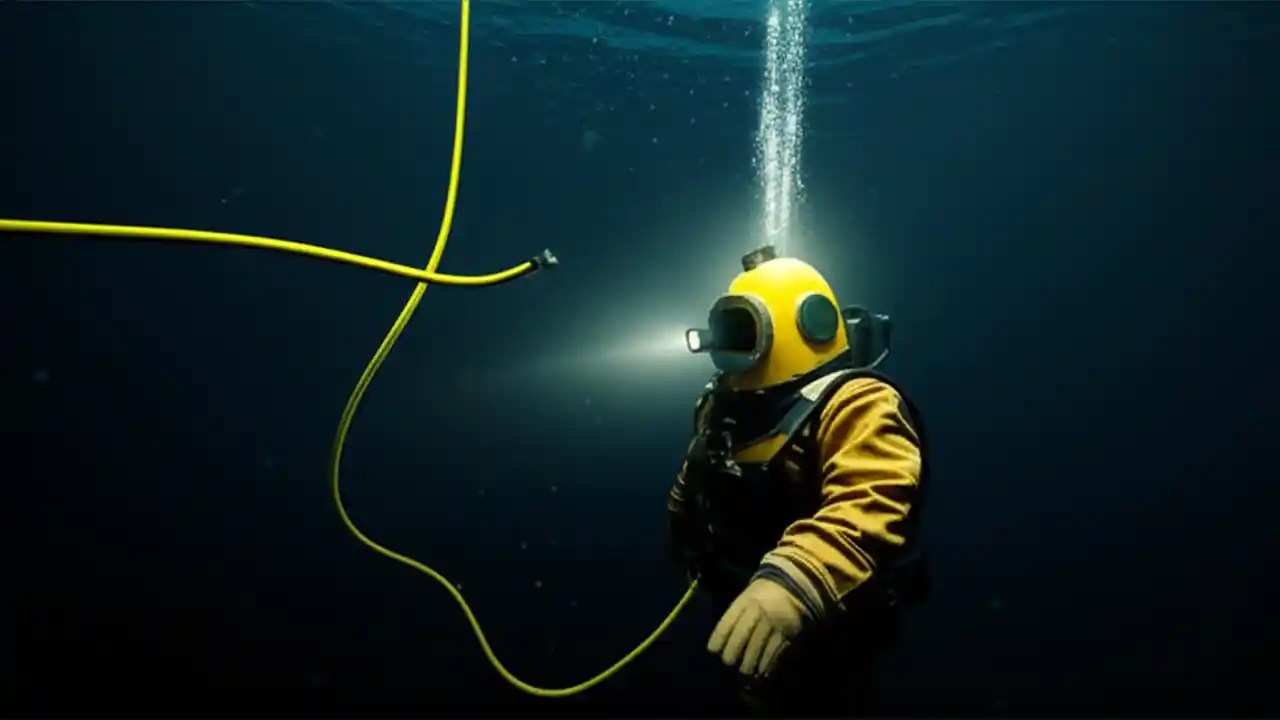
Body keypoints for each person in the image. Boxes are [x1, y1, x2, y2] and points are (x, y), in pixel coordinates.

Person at [668, 244, 929, 716]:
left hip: (824, 634)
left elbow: (870, 499)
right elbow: (700, 467)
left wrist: (796, 580)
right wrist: (683, 524)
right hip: (739, 604)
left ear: (805, 326)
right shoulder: (722, 404)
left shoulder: (857, 403)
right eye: (726, 331)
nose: (728, 346)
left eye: (744, 331)